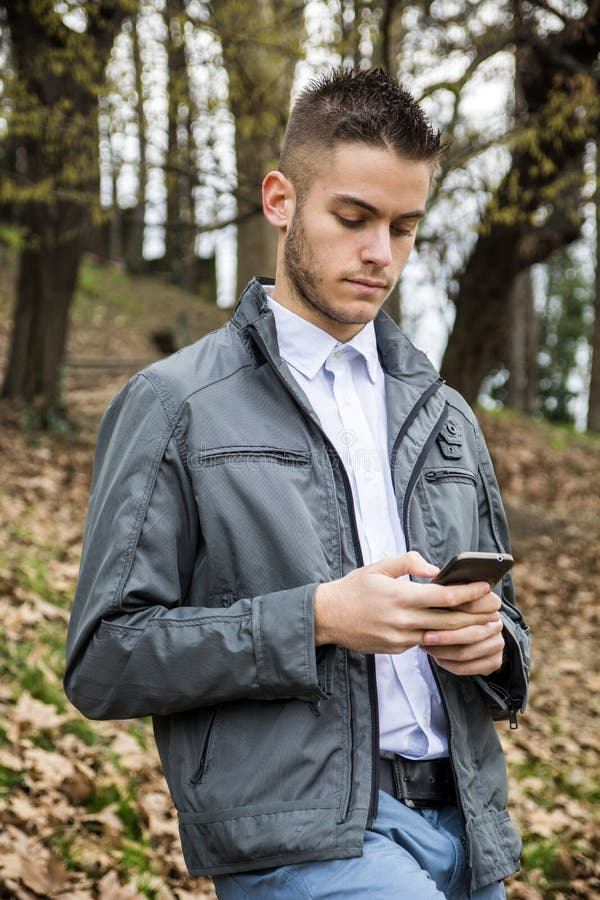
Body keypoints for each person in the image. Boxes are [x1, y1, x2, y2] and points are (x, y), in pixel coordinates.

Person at [64, 68, 531, 899]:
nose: (379, 254)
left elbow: (513, 626)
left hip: (470, 828)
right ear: (280, 201)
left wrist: (496, 647)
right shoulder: (175, 405)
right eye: (352, 218)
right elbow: (105, 658)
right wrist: (316, 619)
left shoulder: (446, 413)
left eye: (405, 227)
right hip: (301, 839)